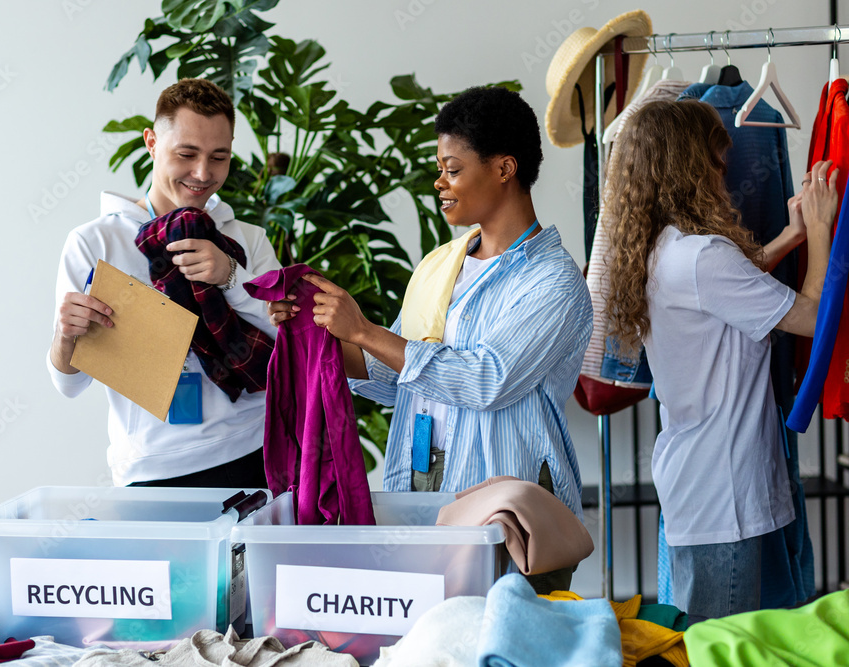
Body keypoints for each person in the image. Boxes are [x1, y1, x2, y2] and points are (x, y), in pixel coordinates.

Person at [269, 86, 592, 519]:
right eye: (439, 168)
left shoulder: (553, 281)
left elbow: (487, 380)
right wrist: (320, 327)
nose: (439, 182)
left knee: (505, 591)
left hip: (510, 503)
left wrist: (363, 330)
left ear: (504, 168)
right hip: (423, 483)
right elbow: (391, 371)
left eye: (452, 169)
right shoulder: (442, 265)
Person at [603, 99, 839, 619]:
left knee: (741, 644)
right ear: (690, 166)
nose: (722, 175)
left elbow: (733, 283)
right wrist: (821, 231)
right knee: (720, 651)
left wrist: (792, 235)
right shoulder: (702, 256)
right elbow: (811, 317)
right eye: (716, 163)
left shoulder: (668, 248)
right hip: (722, 493)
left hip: (716, 484)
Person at [47, 78, 281, 488]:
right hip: (151, 470)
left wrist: (229, 275)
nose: (203, 173)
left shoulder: (247, 240)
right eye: (186, 154)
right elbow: (68, 385)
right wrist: (65, 337)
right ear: (152, 142)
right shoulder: (95, 243)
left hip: (253, 452)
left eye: (219, 157)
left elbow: (289, 341)